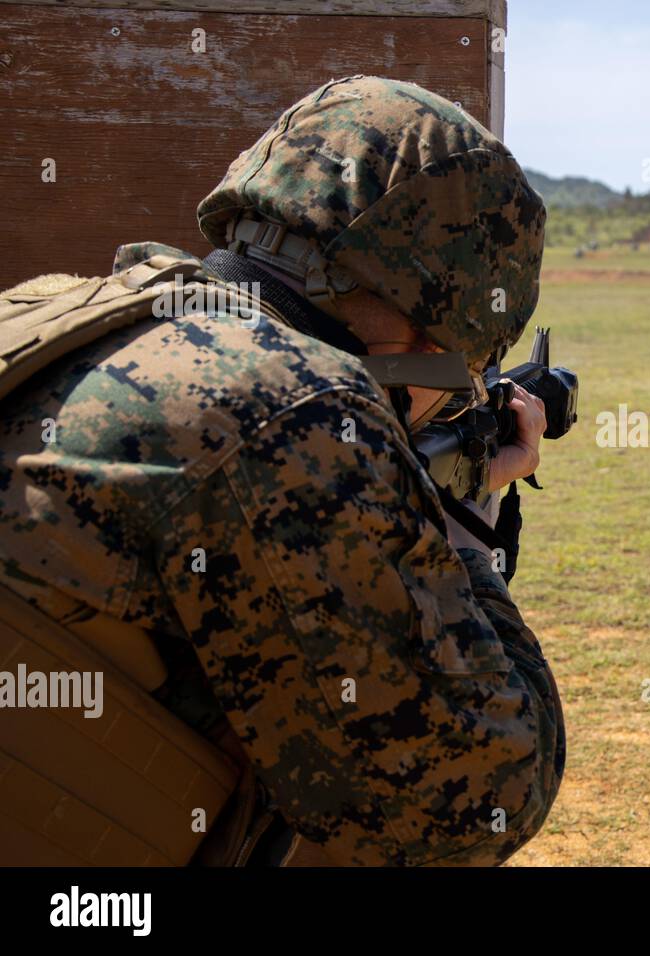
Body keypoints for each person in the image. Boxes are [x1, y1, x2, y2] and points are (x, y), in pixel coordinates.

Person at [0, 75, 563, 866]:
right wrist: (464, 542)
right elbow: (477, 801)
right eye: (463, 374)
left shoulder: (61, 308)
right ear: (431, 330)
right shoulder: (298, 410)